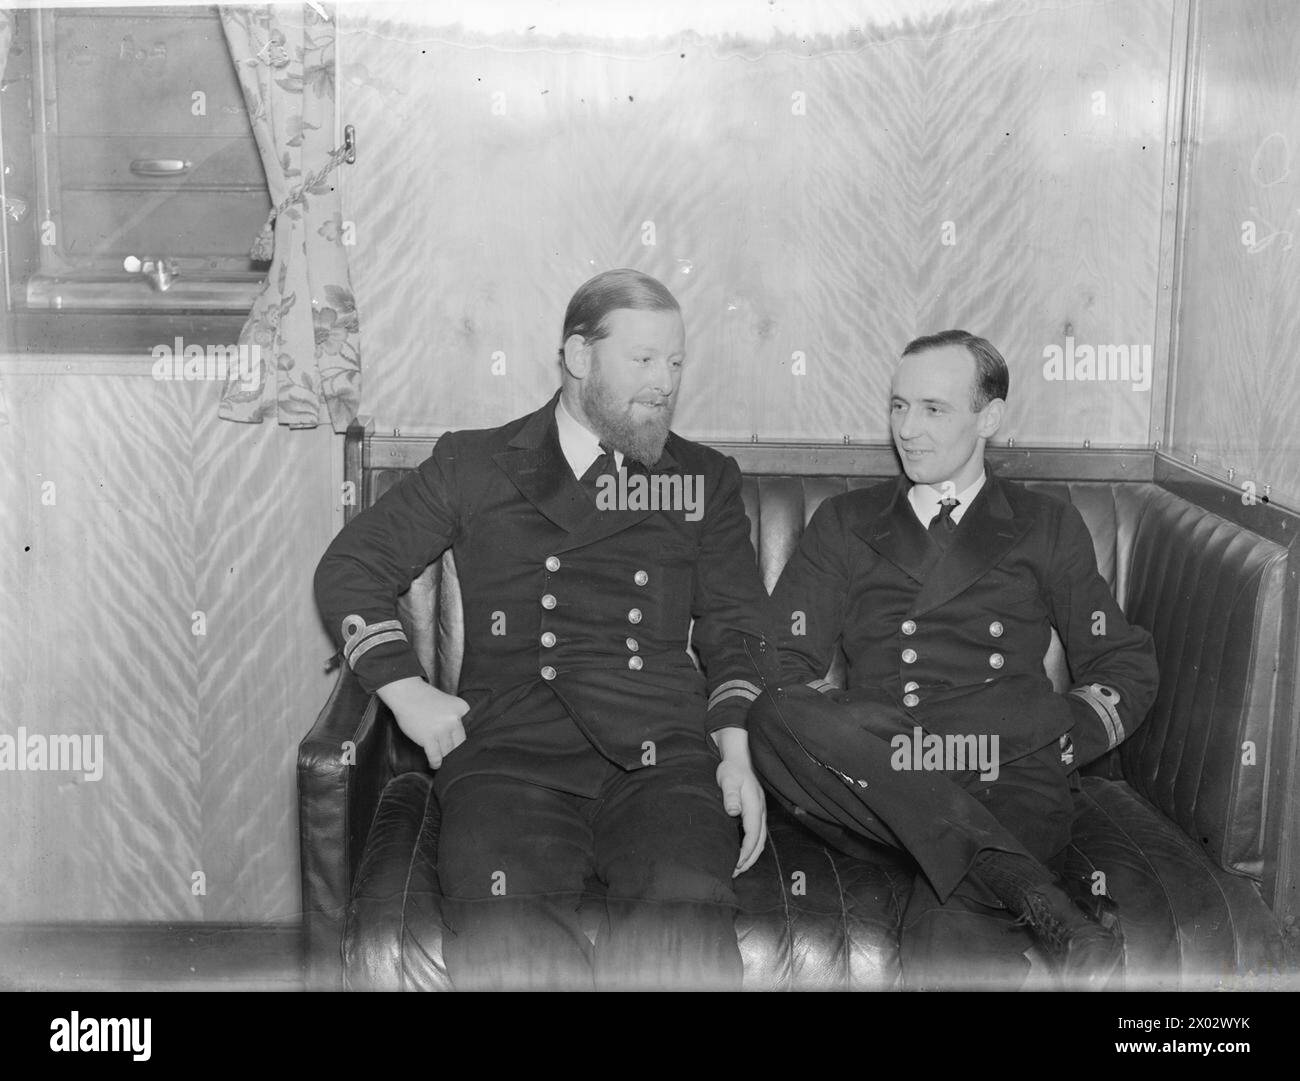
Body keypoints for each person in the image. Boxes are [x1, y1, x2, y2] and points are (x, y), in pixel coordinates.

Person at [314, 268, 773, 990]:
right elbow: (351, 567)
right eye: (644, 361)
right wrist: (405, 689)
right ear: (579, 357)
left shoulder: (704, 478)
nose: (665, 383)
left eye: (676, 362)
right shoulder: (478, 463)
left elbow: (736, 628)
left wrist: (736, 748)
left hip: (662, 757)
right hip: (511, 755)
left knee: (683, 917)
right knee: (511, 934)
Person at [748, 329, 1159, 989]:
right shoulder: (846, 523)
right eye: (898, 406)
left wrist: (1052, 742)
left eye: (933, 409)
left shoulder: (1041, 523)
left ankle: (1003, 875)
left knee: (946, 942)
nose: (907, 428)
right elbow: (777, 660)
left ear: (988, 417)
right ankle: (1037, 892)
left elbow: (1124, 663)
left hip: (1007, 770)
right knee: (771, 711)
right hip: (885, 777)